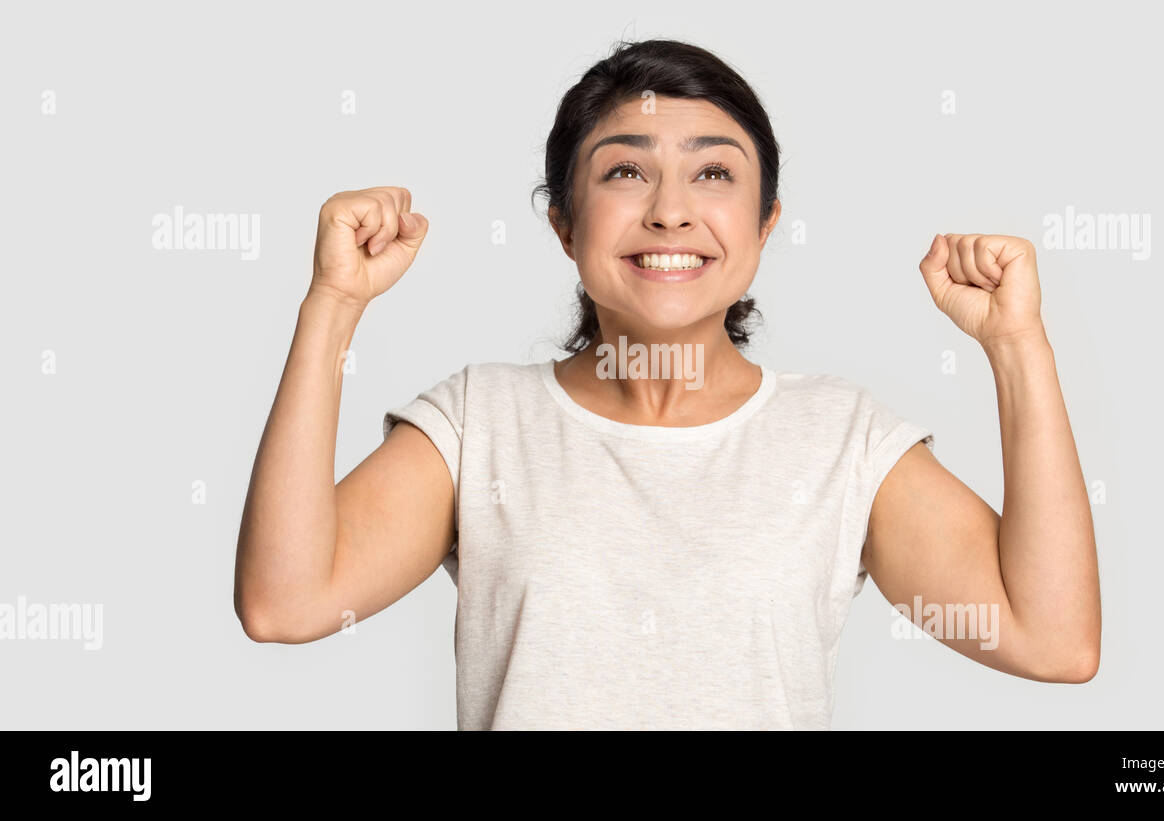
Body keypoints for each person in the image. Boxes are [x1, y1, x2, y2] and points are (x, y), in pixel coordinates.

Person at [234, 38, 1101, 730]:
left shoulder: (841, 440)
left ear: (764, 228)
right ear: (565, 226)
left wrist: (1018, 344)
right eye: (625, 170)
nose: (670, 210)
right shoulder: (481, 422)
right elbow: (286, 599)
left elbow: (1053, 638)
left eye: (714, 172)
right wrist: (334, 303)